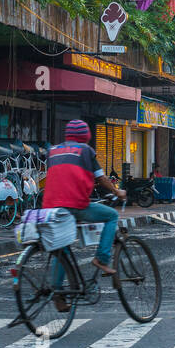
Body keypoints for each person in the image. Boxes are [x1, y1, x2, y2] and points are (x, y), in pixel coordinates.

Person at [42, 120, 127, 310]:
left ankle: (59, 295)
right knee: (111, 215)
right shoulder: (86, 151)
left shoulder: (53, 151)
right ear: (86, 136)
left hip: (50, 207)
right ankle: (102, 259)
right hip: (74, 204)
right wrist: (117, 192)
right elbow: (101, 178)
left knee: (61, 245)